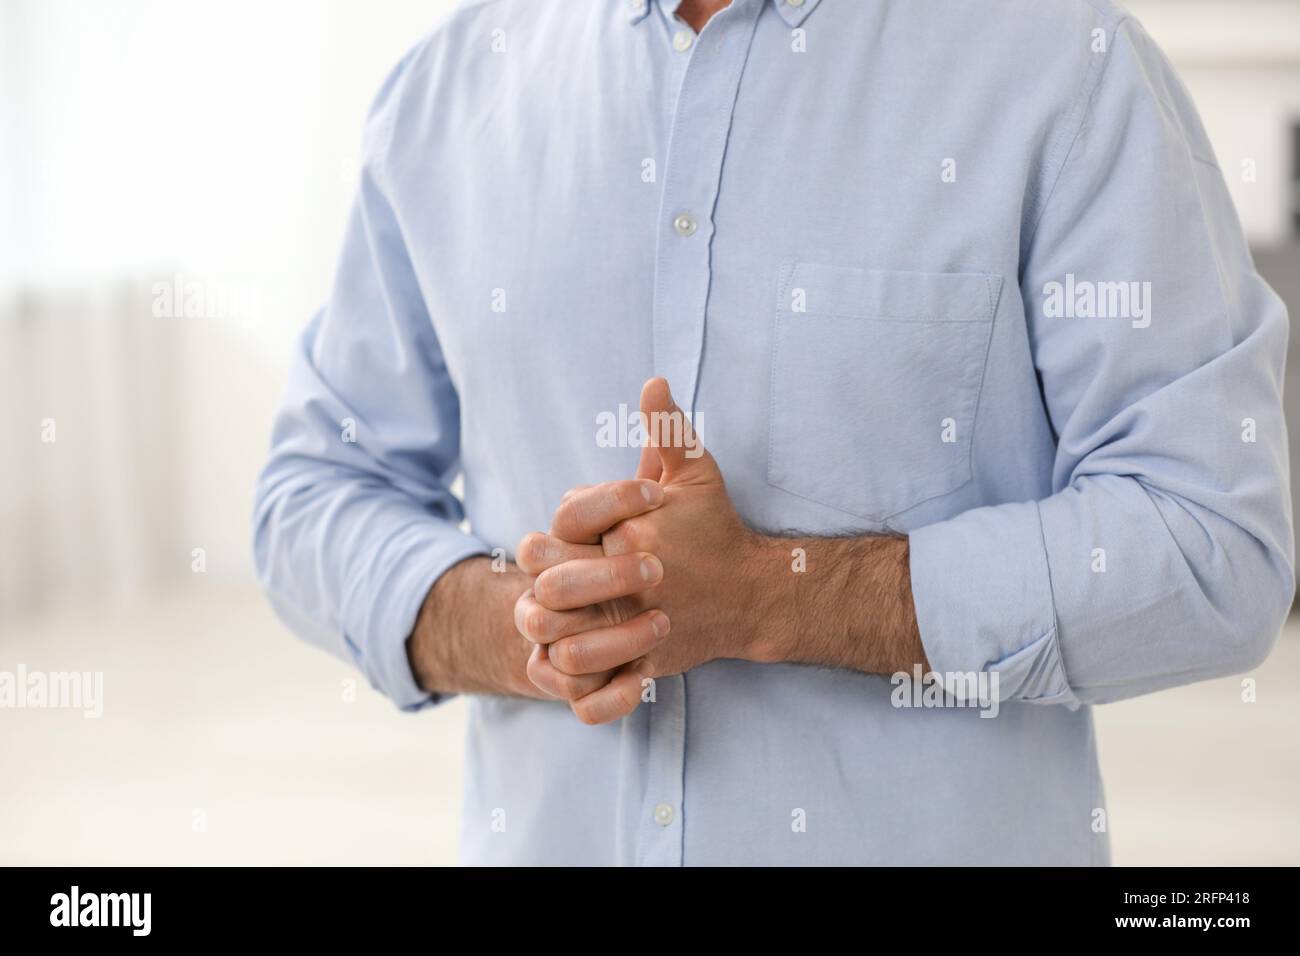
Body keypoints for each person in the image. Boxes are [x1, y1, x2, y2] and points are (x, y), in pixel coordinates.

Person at [253, 0, 1294, 865]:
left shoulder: (1061, 66)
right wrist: (517, 625)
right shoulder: (444, 91)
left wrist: (769, 594)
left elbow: (1214, 545)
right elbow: (311, 491)